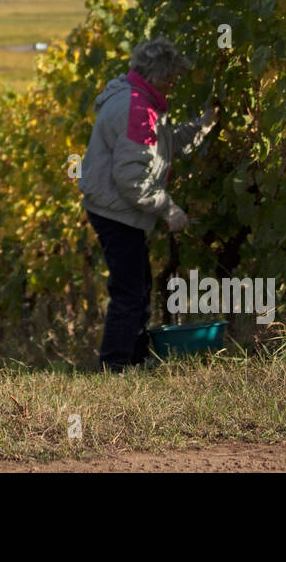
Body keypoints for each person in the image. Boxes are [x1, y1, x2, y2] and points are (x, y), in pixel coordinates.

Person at [78, 38, 218, 372]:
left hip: (114, 209)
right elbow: (132, 179)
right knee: (130, 292)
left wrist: (203, 126)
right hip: (116, 212)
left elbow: (163, 147)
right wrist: (168, 209)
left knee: (137, 286)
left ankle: (134, 360)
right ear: (156, 76)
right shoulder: (137, 110)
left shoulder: (138, 99)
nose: (174, 85)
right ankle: (115, 365)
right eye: (171, 78)